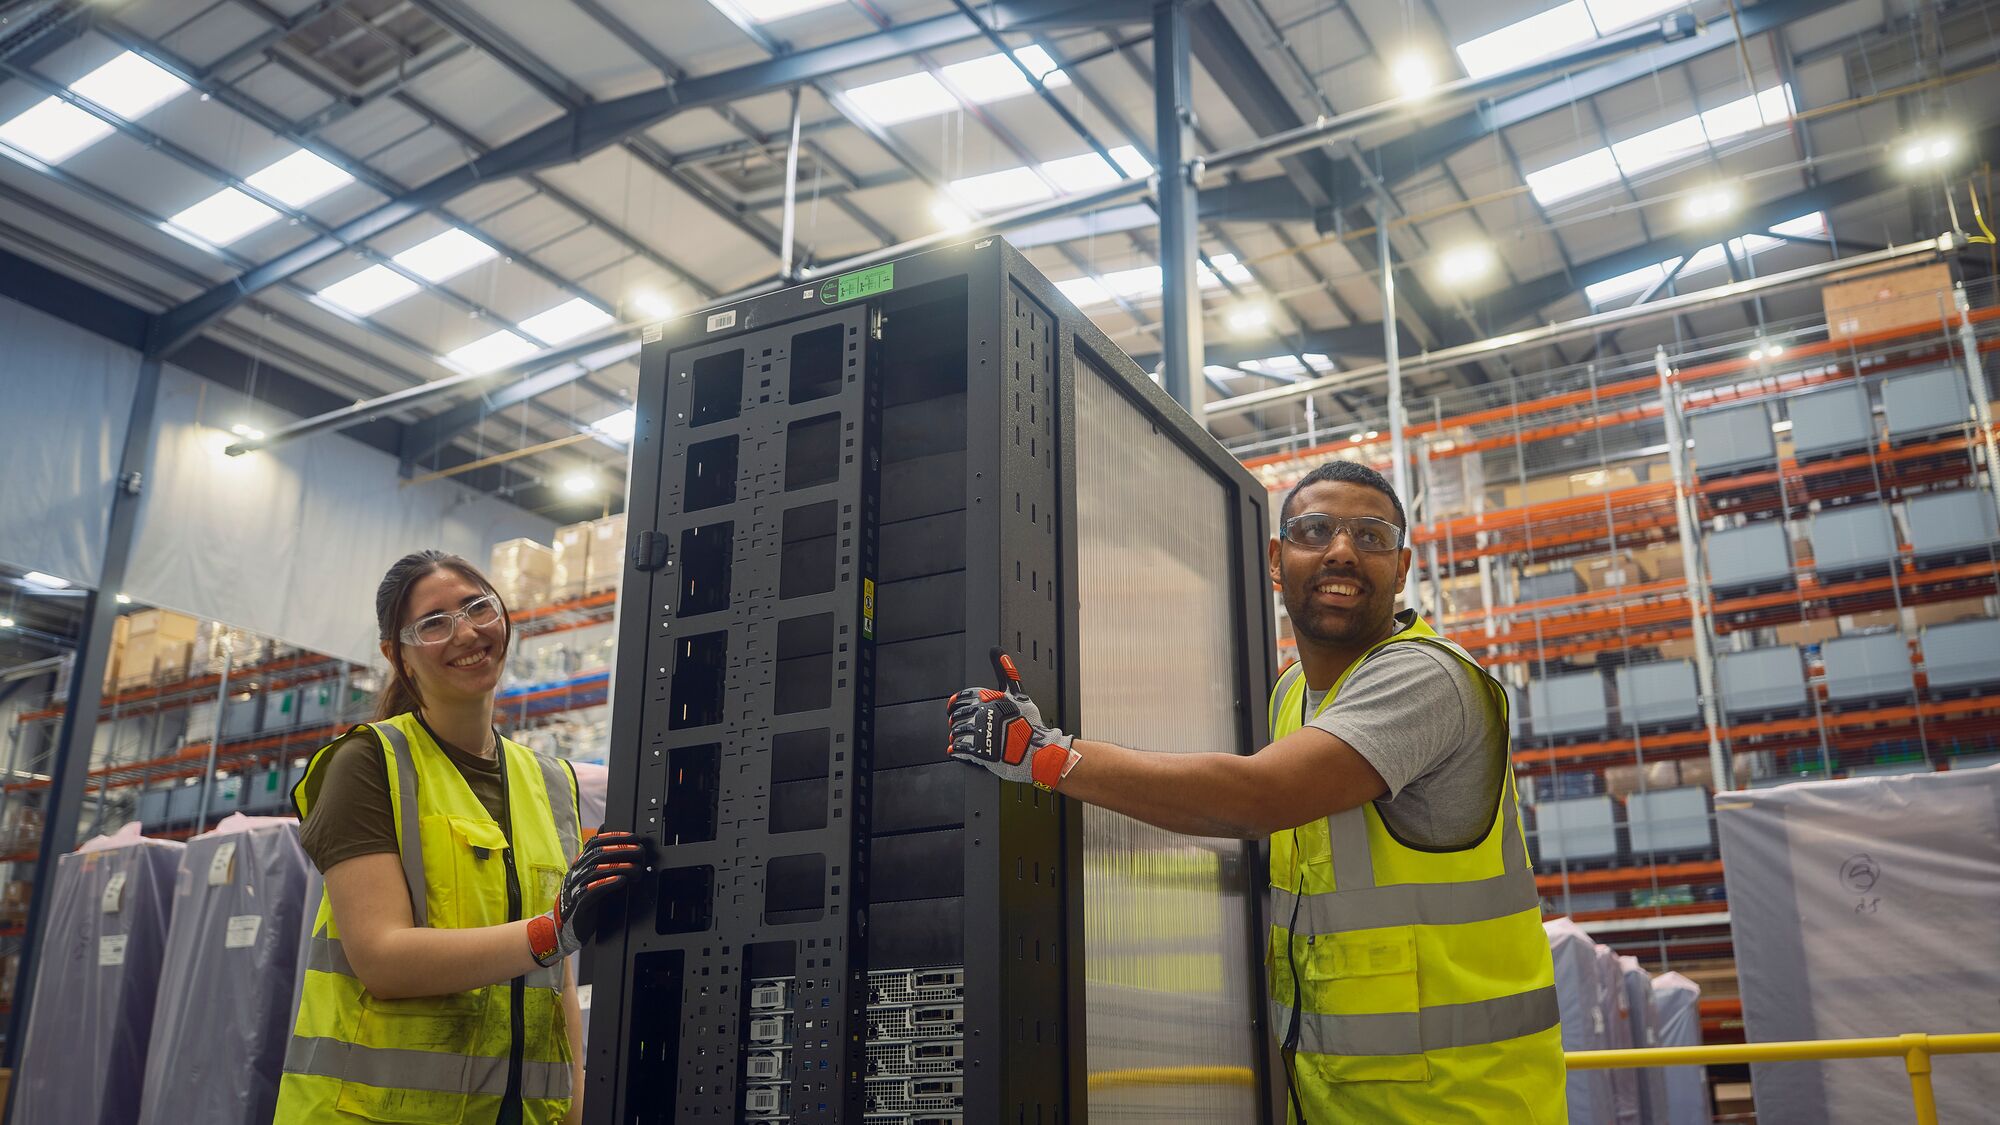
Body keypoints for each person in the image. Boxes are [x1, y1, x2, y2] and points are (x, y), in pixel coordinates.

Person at [946, 461, 1564, 1122]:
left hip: (1461, 1107)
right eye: (1315, 530)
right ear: (1276, 559)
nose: (1343, 551)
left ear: (1403, 566)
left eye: (1372, 536)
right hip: (1340, 1104)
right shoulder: (1294, 694)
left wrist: (1044, 755)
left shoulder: (1425, 678)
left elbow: (1259, 797)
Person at [275, 550, 649, 1125]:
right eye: (433, 623)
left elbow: (559, 985)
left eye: (478, 607)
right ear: (397, 656)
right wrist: (551, 931)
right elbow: (381, 957)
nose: (467, 632)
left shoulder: (552, 783)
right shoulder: (369, 762)